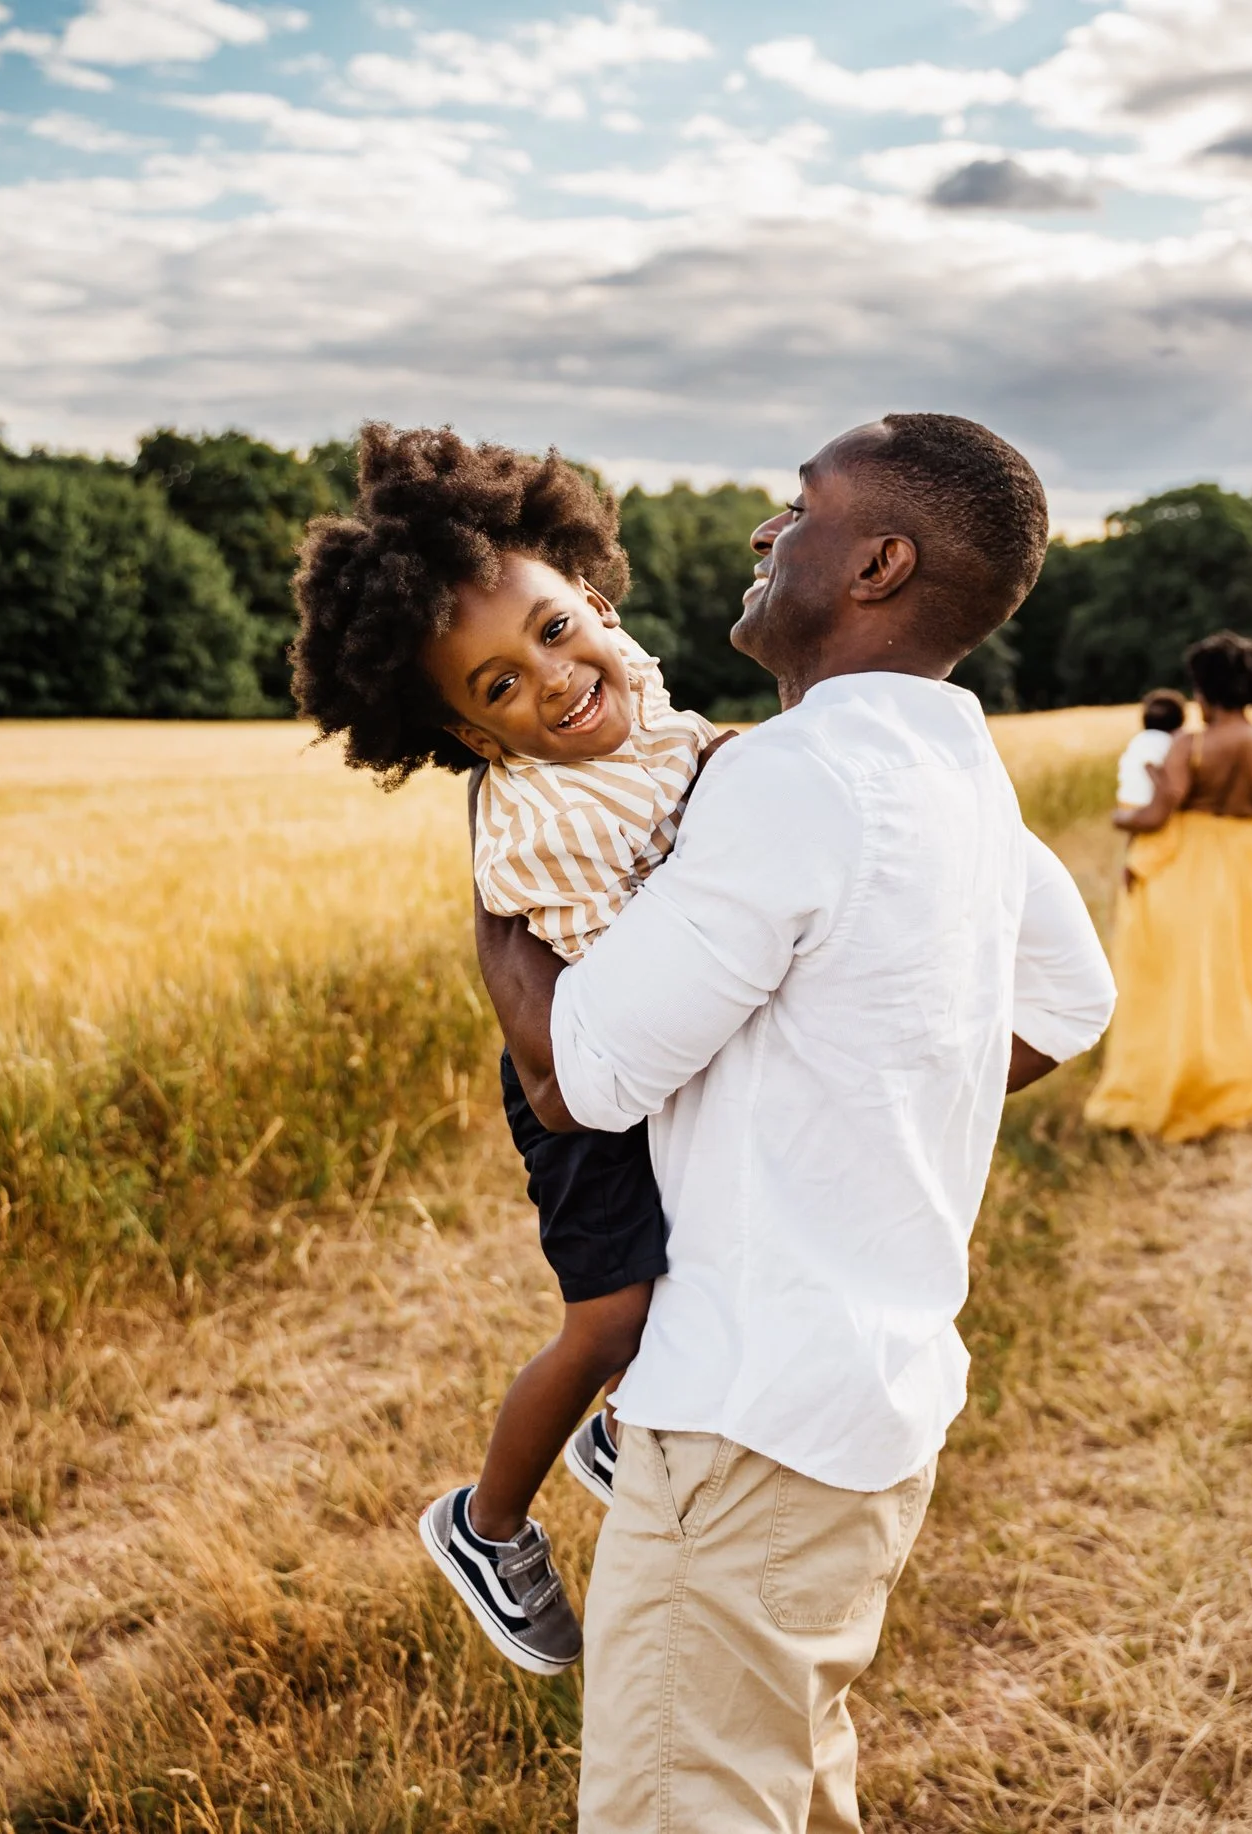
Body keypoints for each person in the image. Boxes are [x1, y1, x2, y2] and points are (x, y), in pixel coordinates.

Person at [469, 412, 1115, 1830]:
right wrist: (871, 1082)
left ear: (879, 562)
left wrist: (494, 909)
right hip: (870, 1418)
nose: (768, 533)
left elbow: (582, 1077)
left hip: (748, 1428)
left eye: (798, 508)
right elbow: (1072, 997)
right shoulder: (953, 771)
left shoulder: (792, 774)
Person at [289, 424, 726, 1677]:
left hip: (640, 1038)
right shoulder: (536, 824)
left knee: (701, 1255)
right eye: (497, 689)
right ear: (481, 740)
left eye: (551, 630)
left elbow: (685, 756)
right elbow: (635, 974)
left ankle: (618, 1436)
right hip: (589, 1063)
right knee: (612, 1314)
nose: (551, 678)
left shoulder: (618, 673)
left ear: (591, 595)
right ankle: (487, 1521)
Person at [1083, 630, 1252, 1141]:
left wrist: (1119, 819)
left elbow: (1154, 818)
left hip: (1186, 872)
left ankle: (1188, 1083)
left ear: (1204, 689)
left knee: (1182, 980)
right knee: (1251, 975)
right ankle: (1251, 1079)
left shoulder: (1187, 745)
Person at [1115, 688, 1186, 813]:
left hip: (1126, 803)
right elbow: (1154, 770)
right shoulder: (1170, 743)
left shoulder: (1137, 741)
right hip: (1150, 807)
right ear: (1180, 721)